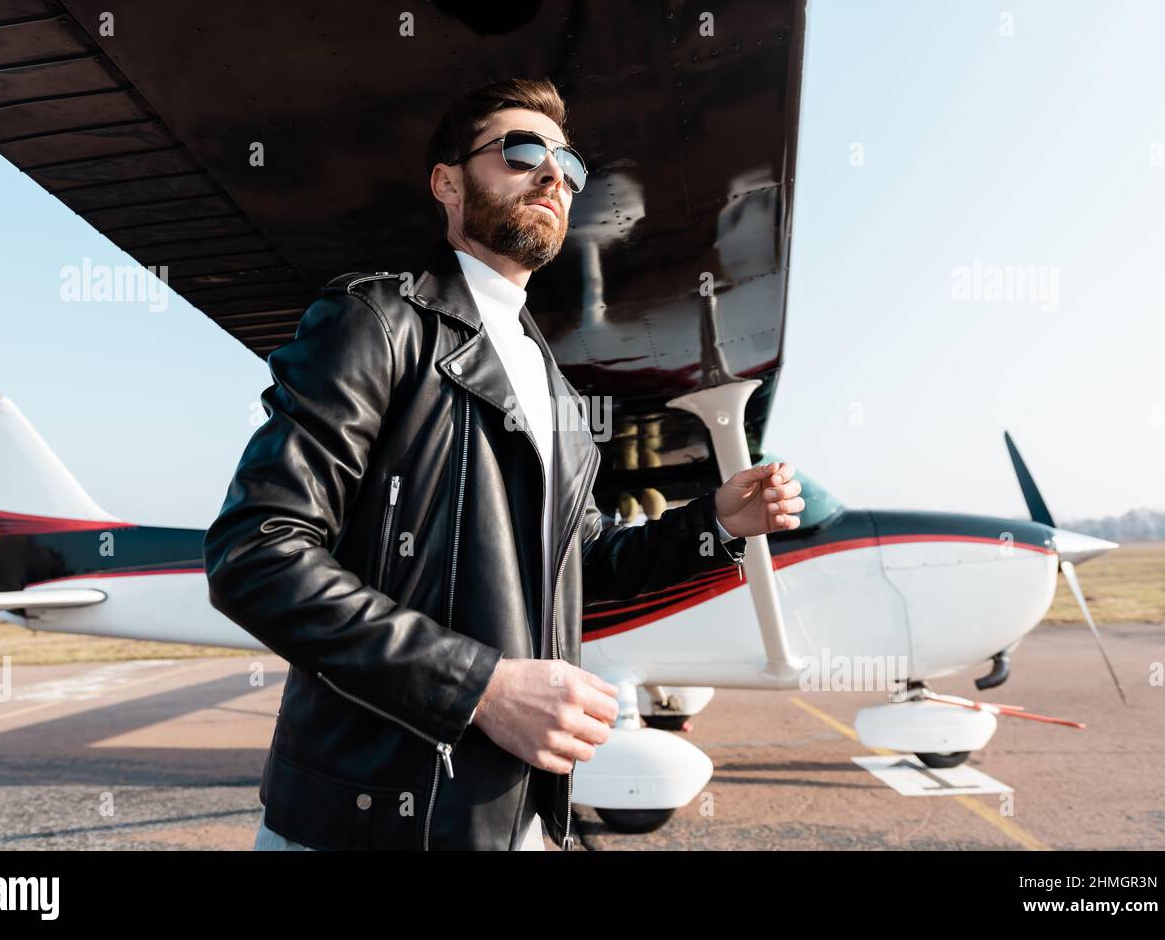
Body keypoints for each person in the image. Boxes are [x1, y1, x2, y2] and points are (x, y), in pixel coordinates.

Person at [206, 76, 804, 852]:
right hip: (369, 822)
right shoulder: (376, 322)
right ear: (447, 183)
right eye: (521, 153)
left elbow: (582, 567)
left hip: (516, 819)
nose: (554, 175)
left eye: (570, 165)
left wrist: (717, 521)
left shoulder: (555, 387)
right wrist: (478, 687)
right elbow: (255, 553)